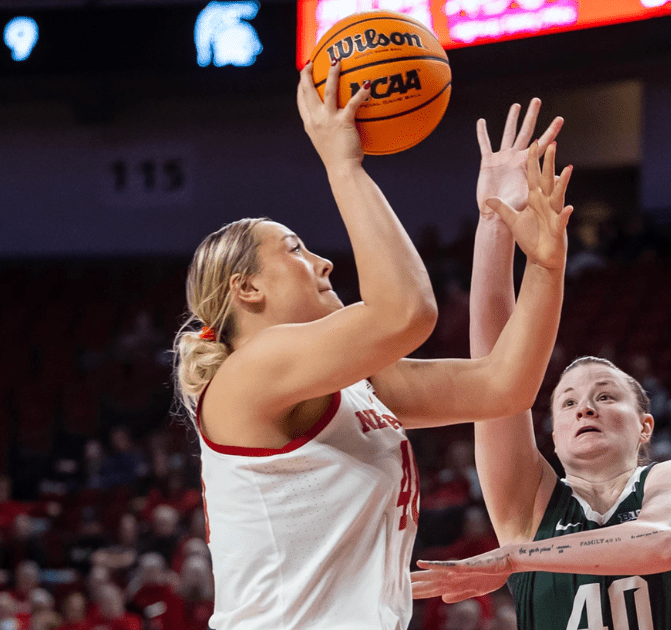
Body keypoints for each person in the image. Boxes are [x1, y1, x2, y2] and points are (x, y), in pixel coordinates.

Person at [172, 73, 571, 630]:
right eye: (296, 249)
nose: (323, 262)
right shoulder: (251, 372)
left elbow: (504, 387)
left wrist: (540, 260)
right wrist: (343, 164)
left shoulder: (350, 385)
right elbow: (406, 312)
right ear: (247, 289)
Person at [410, 103, 671, 630]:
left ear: (645, 426)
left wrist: (515, 557)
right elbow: (493, 366)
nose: (585, 408)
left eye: (605, 395)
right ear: (551, 435)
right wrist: (494, 220)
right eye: (569, 402)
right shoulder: (530, 503)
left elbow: (664, 543)